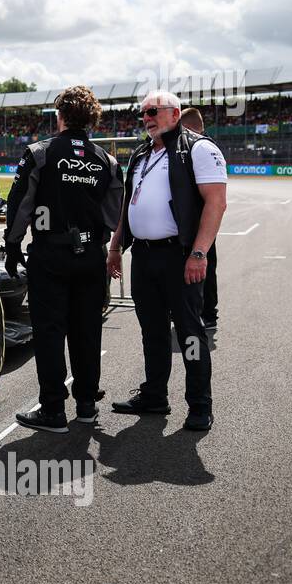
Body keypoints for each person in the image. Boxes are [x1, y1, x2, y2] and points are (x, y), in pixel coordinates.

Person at [4, 85, 124, 433]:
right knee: (87, 331)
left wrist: (13, 246)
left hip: (50, 255)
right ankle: (87, 405)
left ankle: (53, 410)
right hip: (90, 256)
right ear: (91, 119)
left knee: (50, 332)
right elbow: (114, 212)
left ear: (60, 116)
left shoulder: (39, 152)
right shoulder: (107, 160)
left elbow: (20, 203)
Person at [107, 90, 228, 431]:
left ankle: (200, 404)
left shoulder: (199, 148)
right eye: (142, 112)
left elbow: (215, 204)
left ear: (174, 114)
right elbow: (127, 204)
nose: (146, 118)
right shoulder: (142, 153)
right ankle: (155, 396)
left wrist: (199, 252)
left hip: (181, 256)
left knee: (190, 333)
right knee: (152, 331)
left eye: (153, 111)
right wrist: (116, 246)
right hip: (144, 256)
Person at [180, 107, 218, 333]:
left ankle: (208, 314)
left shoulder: (204, 147)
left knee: (206, 268)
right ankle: (193, 311)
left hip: (201, 222)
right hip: (190, 221)